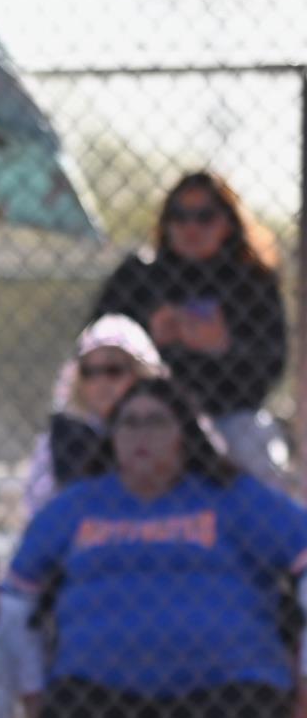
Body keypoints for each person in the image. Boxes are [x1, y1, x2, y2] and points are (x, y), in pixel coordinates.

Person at [1, 378, 307, 718]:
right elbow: (15, 597)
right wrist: (32, 689)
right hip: (98, 686)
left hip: (224, 682)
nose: (141, 436)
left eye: (157, 422)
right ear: (112, 436)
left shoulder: (234, 497)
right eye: (129, 423)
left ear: (185, 432)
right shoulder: (77, 506)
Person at [94, 171, 290, 489]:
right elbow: (93, 354)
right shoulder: (138, 276)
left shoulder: (252, 282)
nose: (190, 227)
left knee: (252, 441)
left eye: (204, 216)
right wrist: (145, 343)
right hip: (143, 418)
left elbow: (272, 366)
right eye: (179, 216)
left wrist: (223, 346)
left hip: (226, 415)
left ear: (228, 223)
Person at [22, 315, 165, 518]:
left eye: (113, 370)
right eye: (90, 371)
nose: (101, 382)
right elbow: (40, 507)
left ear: (140, 372)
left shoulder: (168, 427)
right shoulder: (62, 439)